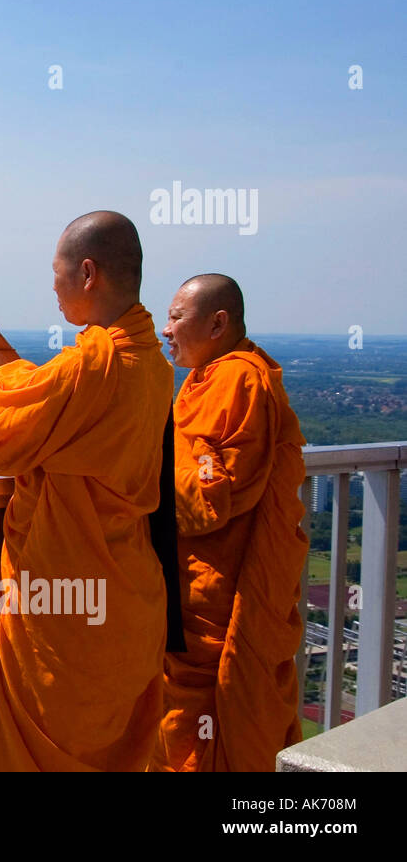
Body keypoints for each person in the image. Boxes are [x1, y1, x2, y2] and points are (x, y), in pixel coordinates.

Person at [0, 210, 173, 771]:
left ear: (86, 273)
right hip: (127, 606)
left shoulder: (94, 365)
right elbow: (54, 403)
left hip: (64, 618)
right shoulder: (150, 361)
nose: (52, 288)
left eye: (56, 274)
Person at [148, 274, 308, 771]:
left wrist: (147, 441)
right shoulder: (212, 377)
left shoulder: (238, 379)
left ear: (218, 322)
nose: (165, 329)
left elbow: (207, 499)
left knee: (208, 727)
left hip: (219, 598)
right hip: (203, 592)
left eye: (176, 317)